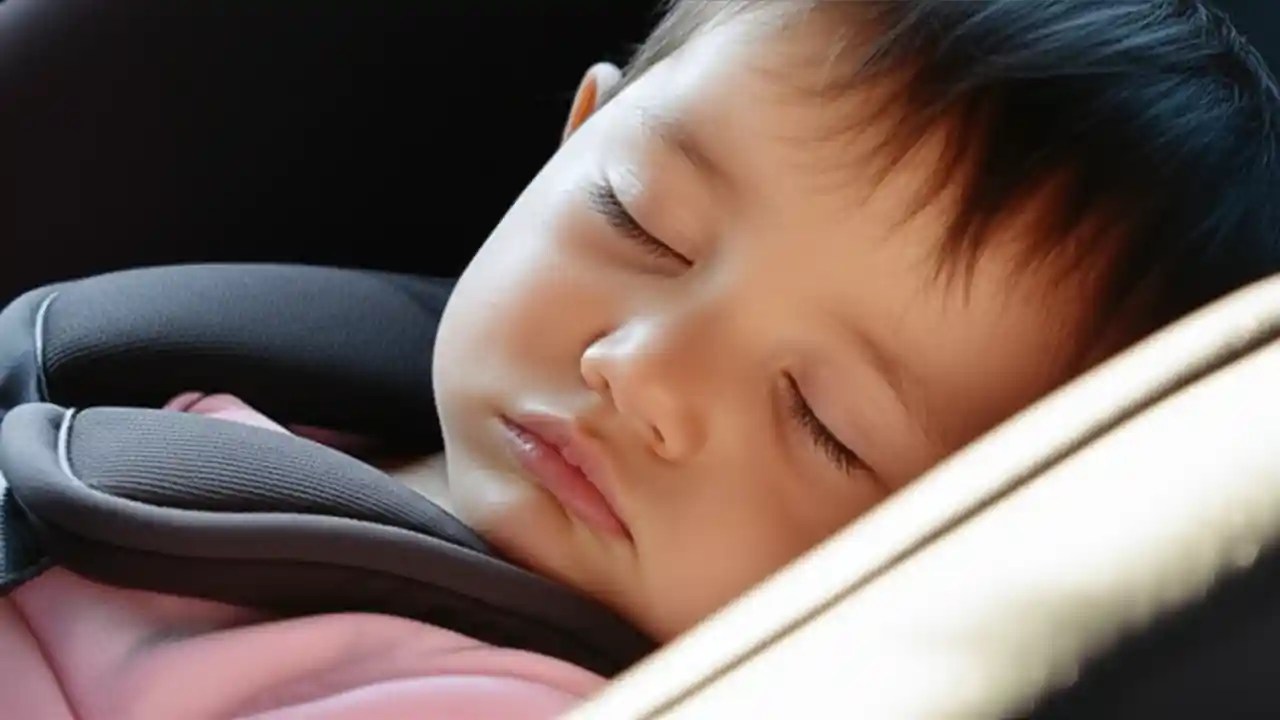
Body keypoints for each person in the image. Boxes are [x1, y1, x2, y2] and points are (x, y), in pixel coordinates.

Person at [9, 1, 1279, 718]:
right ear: (581, 130)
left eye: (822, 420)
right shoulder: (323, 390)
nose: (638, 369)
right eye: (640, 220)